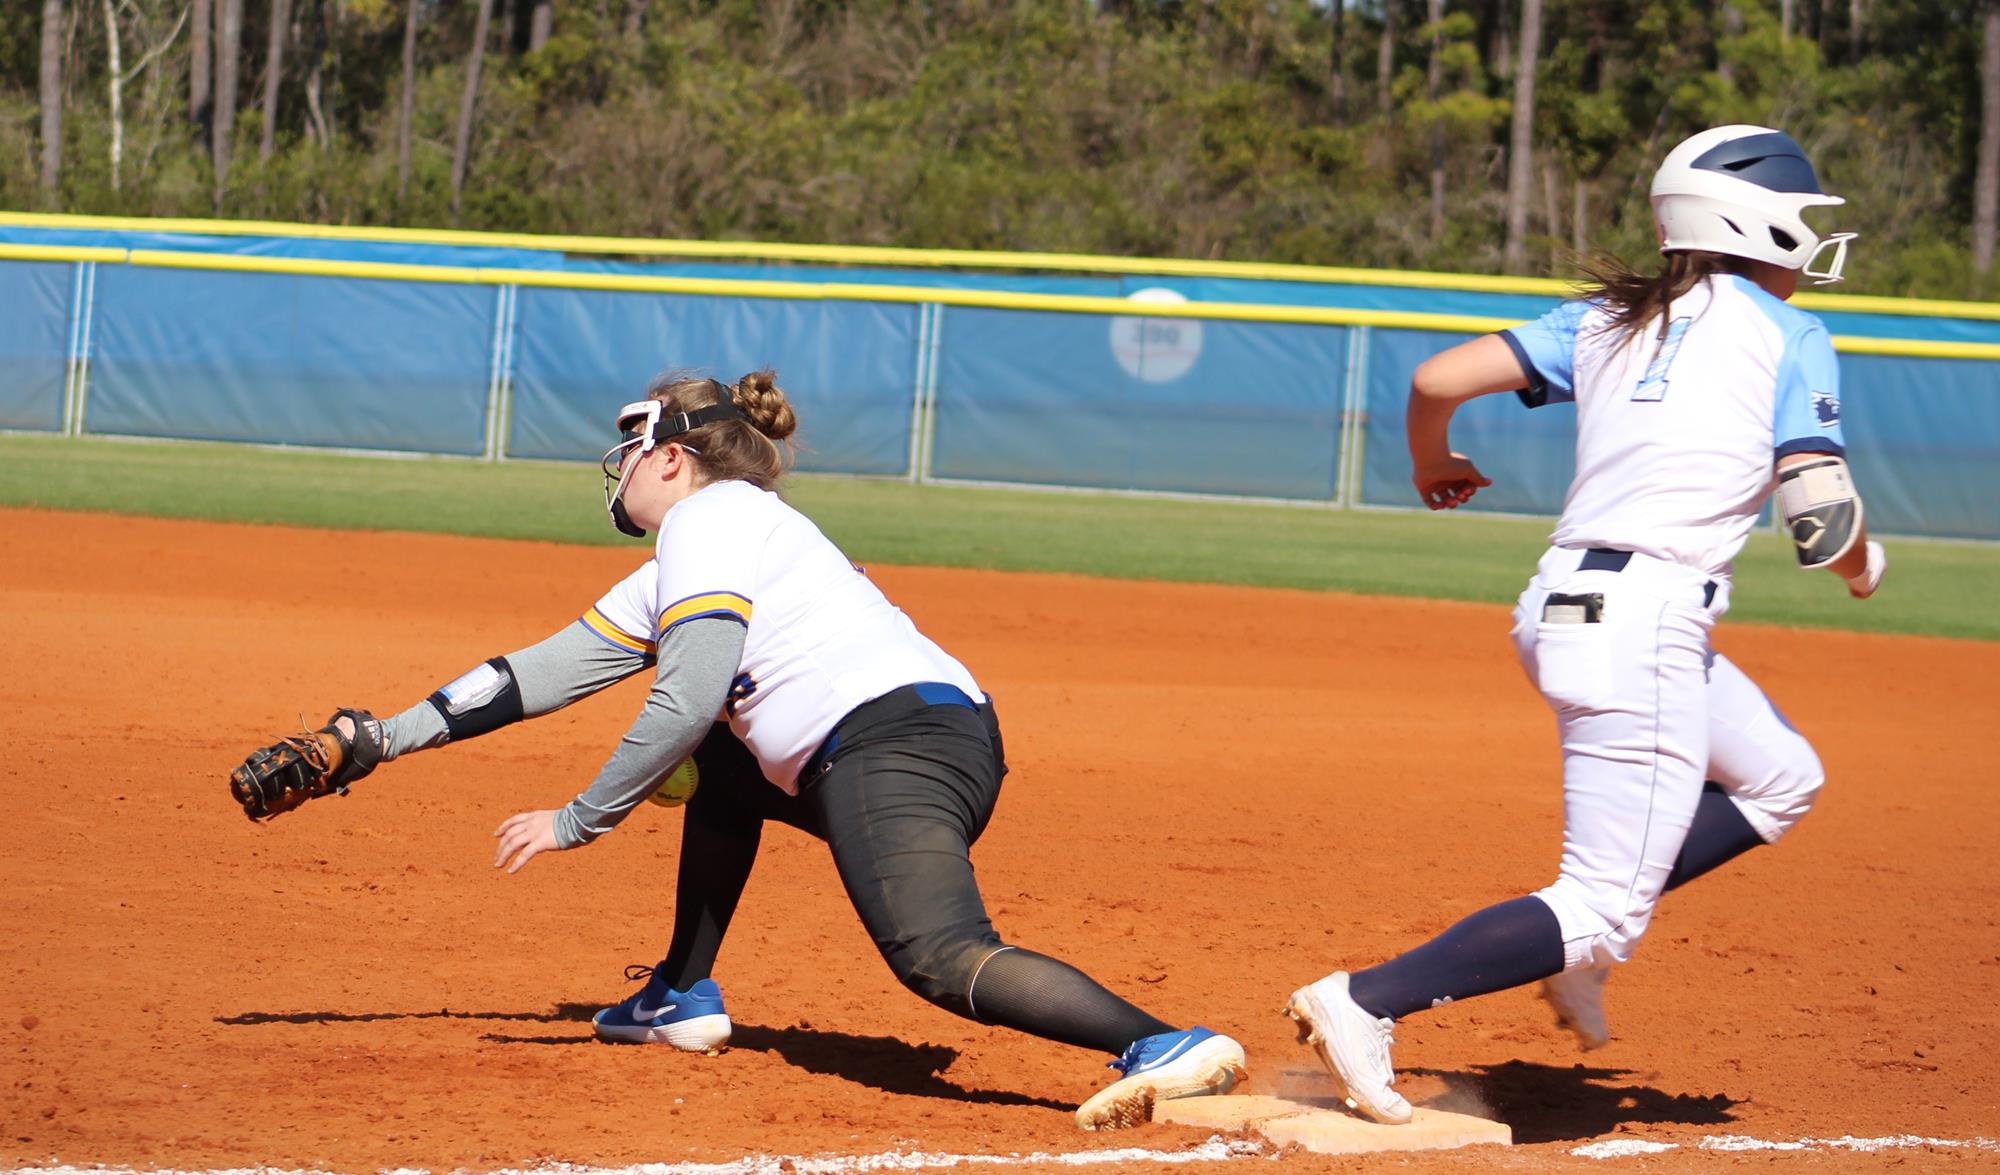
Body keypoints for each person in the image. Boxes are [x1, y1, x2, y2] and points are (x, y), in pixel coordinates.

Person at [233, 369, 1244, 1131]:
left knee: (936, 956)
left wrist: (582, 816)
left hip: (891, 744)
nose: (619, 467)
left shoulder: (711, 520)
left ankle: (1160, 1040)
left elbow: (687, 690)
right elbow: (529, 674)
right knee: (720, 763)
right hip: (908, 734)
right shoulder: (702, 548)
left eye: (628, 449)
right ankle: (680, 990)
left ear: (672, 455)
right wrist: (377, 739)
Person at [1283, 125, 1887, 1124]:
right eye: (1797, 216)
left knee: (1780, 775)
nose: (1806, 240)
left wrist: (1432, 462)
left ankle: (1582, 948)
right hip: (1639, 623)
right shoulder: (1785, 334)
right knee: (1595, 896)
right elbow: (1821, 520)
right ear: (1753, 220)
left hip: (1572, 605)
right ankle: (1364, 997)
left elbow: (1434, 380)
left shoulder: (1608, 314)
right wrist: (1865, 566)